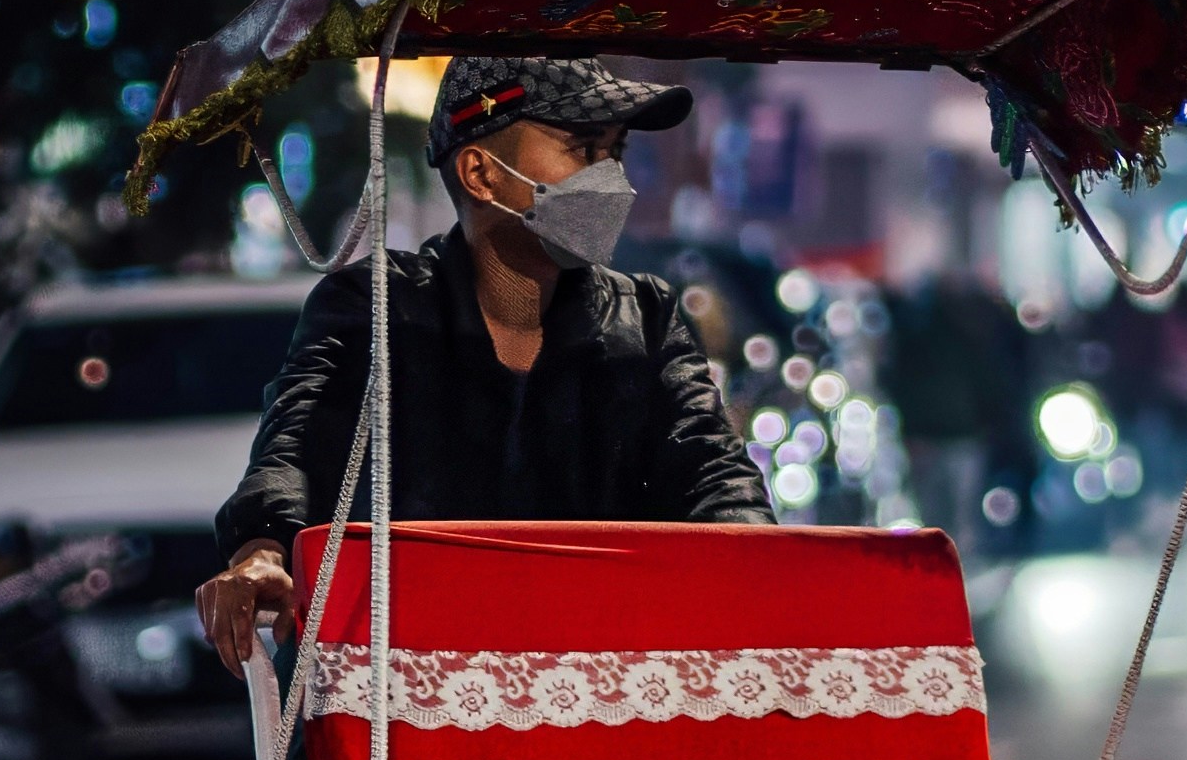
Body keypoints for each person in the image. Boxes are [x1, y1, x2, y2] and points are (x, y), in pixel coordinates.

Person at [194, 52, 772, 669]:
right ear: (480, 173)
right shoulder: (376, 310)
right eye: (583, 149)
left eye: (617, 150)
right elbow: (292, 454)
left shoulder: (646, 318)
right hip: (408, 696)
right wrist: (259, 554)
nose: (612, 179)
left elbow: (716, 479)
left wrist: (767, 567)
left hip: (602, 684)